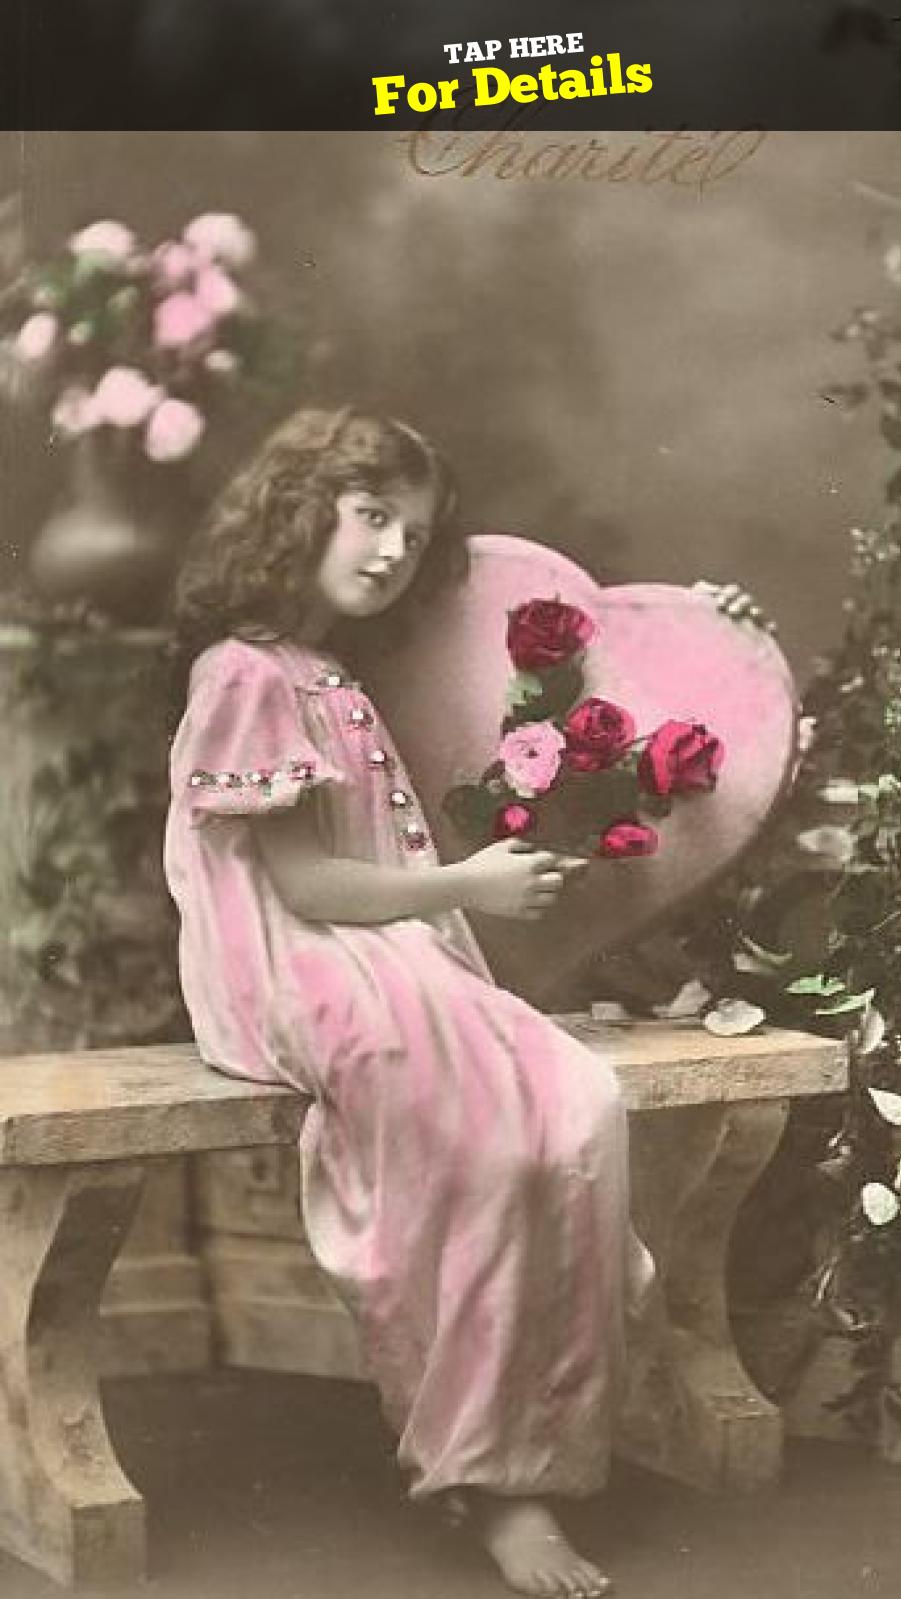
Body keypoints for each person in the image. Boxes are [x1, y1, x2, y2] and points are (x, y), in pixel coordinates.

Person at [164, 405, 662, 1599]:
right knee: (481, 1139)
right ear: (304, 511)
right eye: (370, 514)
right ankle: (493, 1479)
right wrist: (469, 886)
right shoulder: (242, 669)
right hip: (291, 957)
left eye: (413, 529)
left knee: (579, 1102)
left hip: (375, 950)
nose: (391, 548)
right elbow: (300, 882)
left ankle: (538, 1429)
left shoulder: (325, 669)